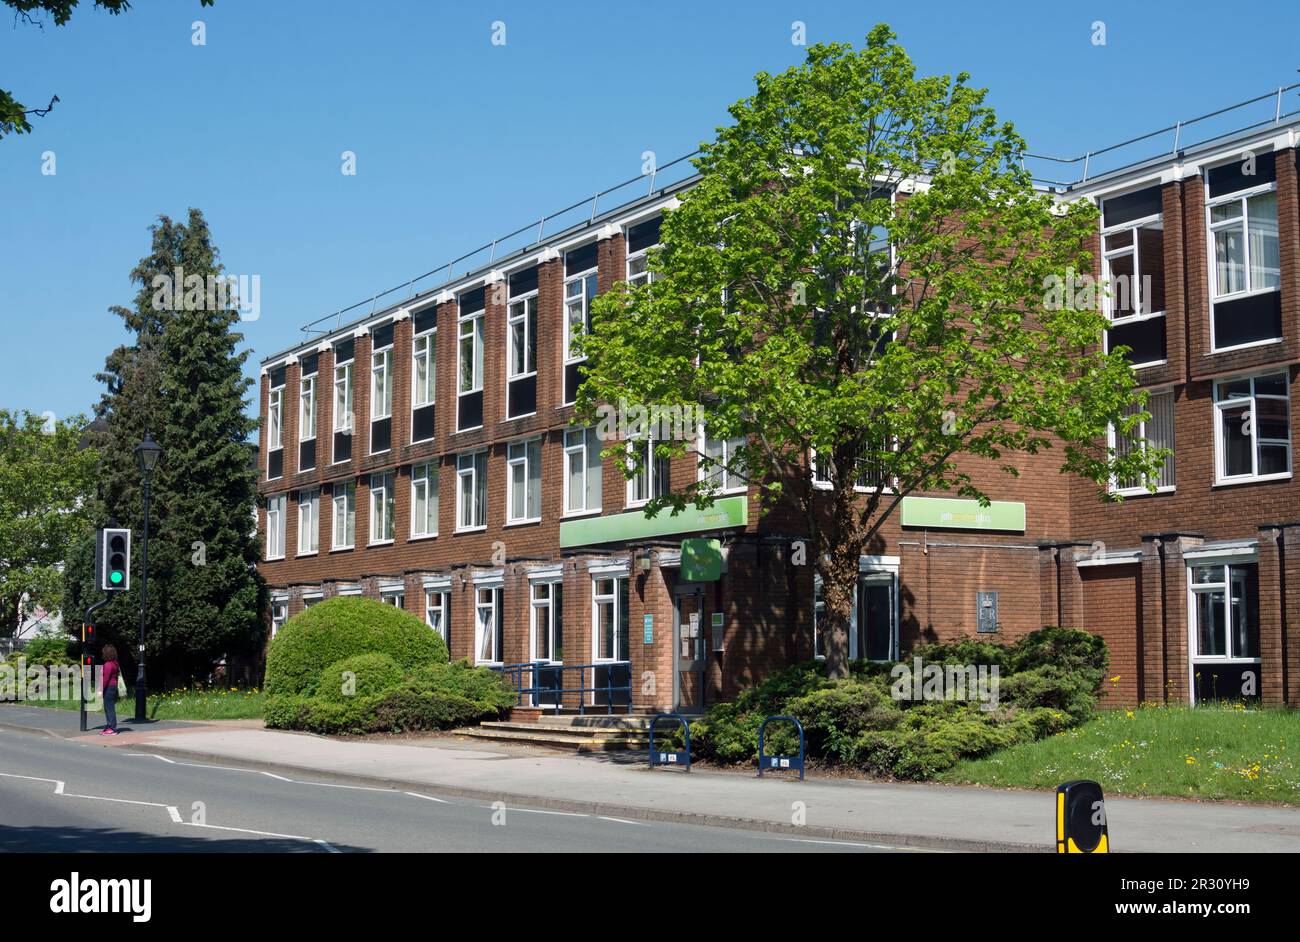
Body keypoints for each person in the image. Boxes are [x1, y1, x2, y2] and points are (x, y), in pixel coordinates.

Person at [100, 644, 121, 735]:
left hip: (109, 687)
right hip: (113, 687)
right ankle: (109, 726)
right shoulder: (115, 663)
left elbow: (105, 679)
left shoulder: (108, 665)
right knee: (109, 707)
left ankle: (112, 727)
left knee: (109, 708)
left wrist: (100, 690)